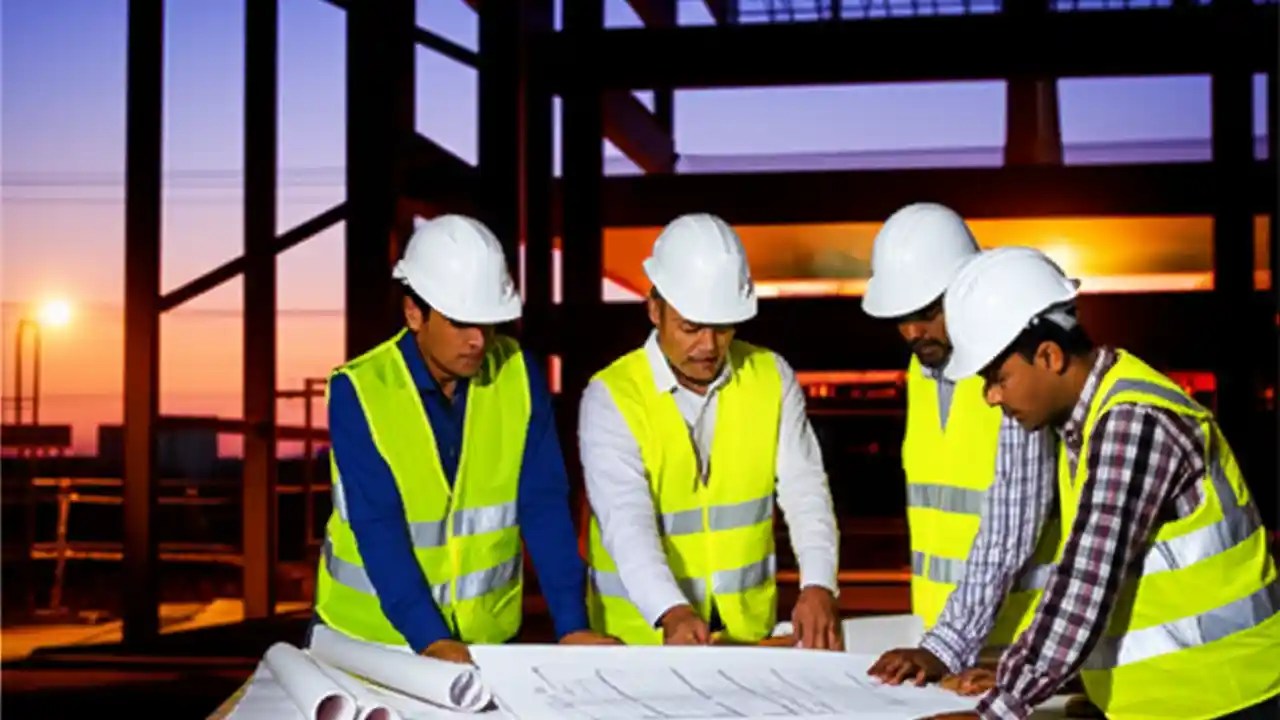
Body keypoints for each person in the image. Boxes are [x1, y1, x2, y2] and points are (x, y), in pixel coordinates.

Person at [931, 246, 1280, 720]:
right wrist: (1031, 678)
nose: (990, 397)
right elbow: (1138, 595)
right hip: (1187, 700)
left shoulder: (1133, 421)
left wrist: (1000, 709)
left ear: (1049, 356)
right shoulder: (1089, 425)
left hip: (1227, 698)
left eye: (998, 378)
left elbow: (1085, 582)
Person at [312, 214, 617, 663]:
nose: (478, 340)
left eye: (489, 323)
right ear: (414, 313)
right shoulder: (359, 390)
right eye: (461, 322)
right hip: (367, 639)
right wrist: (431, 638)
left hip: (483, 642)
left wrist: (572, 625)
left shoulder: (517, 374)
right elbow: (378, 525)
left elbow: (543, 504)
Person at [577, 213, 843, 649]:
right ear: (654, 309)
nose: (708, 346)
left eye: (722, 328)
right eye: (691, 327)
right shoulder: (611, 396)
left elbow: (804, 488)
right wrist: (671, 610)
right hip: (639, 640)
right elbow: (626, 521)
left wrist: (818, 584)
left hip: (746, 636)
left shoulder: (770, 377)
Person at [861, 203, 1059, 686]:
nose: (913, 332)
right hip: (939, 647)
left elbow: (1012, 526)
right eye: (902, 317)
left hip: (1017, 650)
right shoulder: (921, 370)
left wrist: (947, 644)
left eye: (928, 312)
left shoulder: (1014, 370)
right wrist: (937, 643)